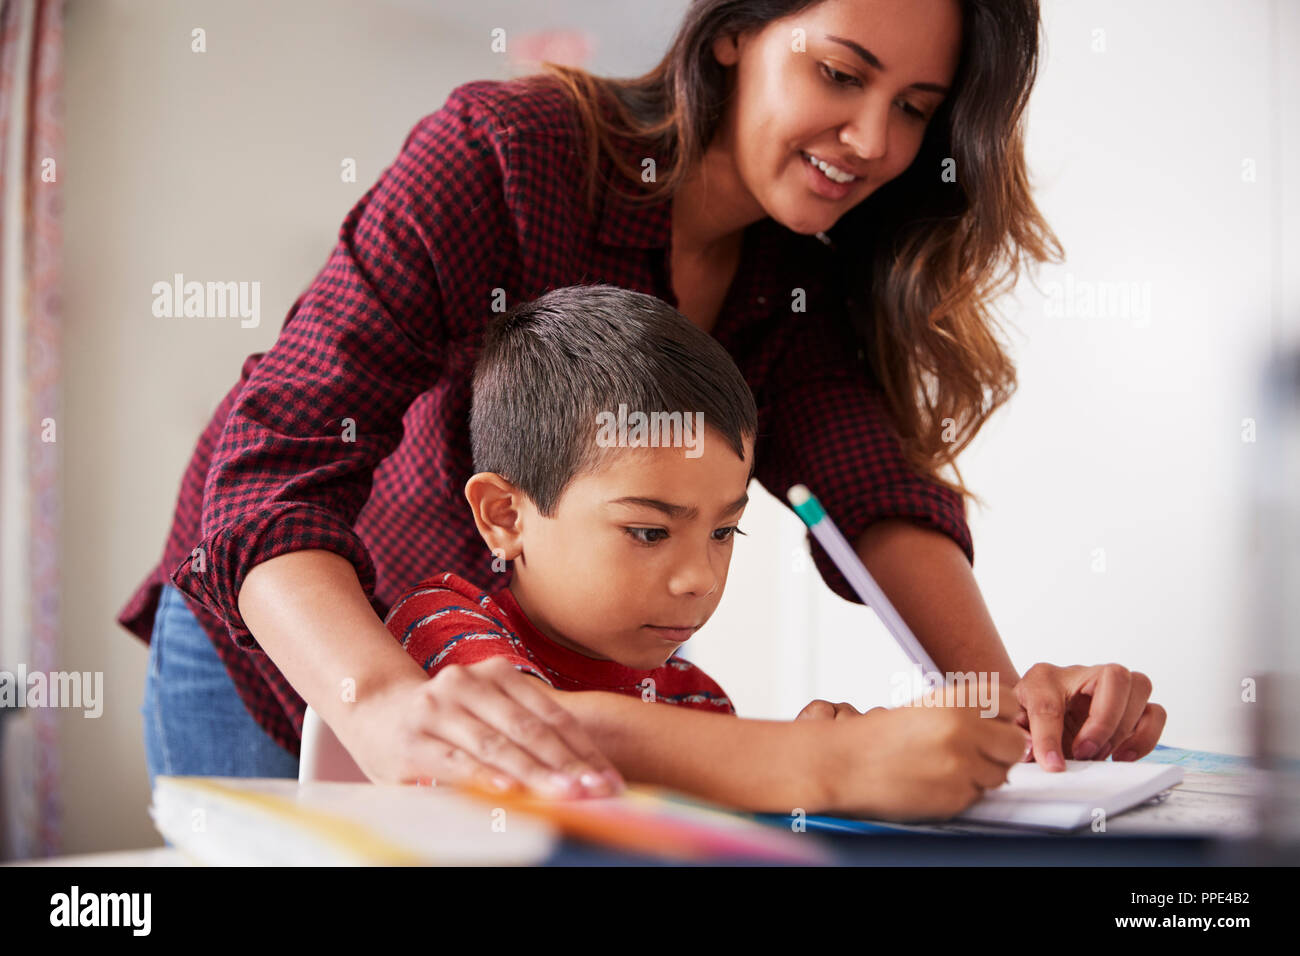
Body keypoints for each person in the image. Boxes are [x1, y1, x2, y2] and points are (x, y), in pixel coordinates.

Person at [120, 0, 1165, 795]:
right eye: (840, 75)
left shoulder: (805, 271)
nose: (872, 142)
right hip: (288, 645)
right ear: (732, 35)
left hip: (550, 695)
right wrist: (387, 703)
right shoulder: (506, 155)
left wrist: (1002, 704)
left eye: (913, 112)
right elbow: (270, 470)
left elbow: (870, 492)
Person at [385, 283, 1030, 818]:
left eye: (724, 532)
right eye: (649, 532)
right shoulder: (441, 625)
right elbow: (527, 729)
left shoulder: (697, 701)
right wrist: (816, 762)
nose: (699, 580)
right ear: (506, 517)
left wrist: (804, 777)